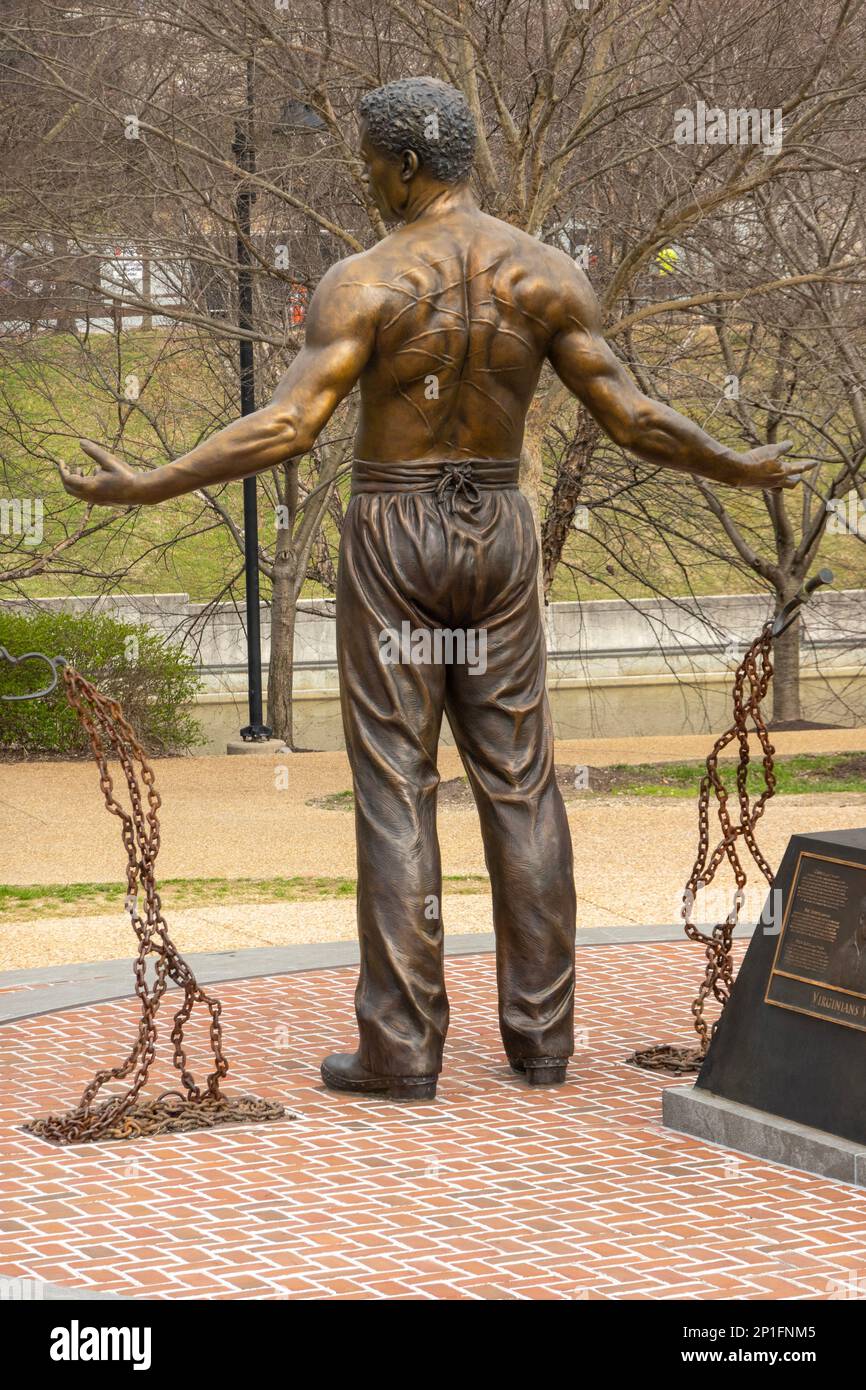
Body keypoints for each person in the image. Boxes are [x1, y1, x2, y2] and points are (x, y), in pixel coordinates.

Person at [60, 77, 810, 1102]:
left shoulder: (363, 279)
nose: (364, 179)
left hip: (396, 530)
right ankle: (541, 1040)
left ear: (404, 165)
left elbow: (287, 427)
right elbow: (632, 416)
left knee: (396, 781)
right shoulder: (544, 275)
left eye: (368, 161)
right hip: (498, 529)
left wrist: (149, 482)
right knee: (521, 781)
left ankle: (401, 1047)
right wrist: (735, 463)